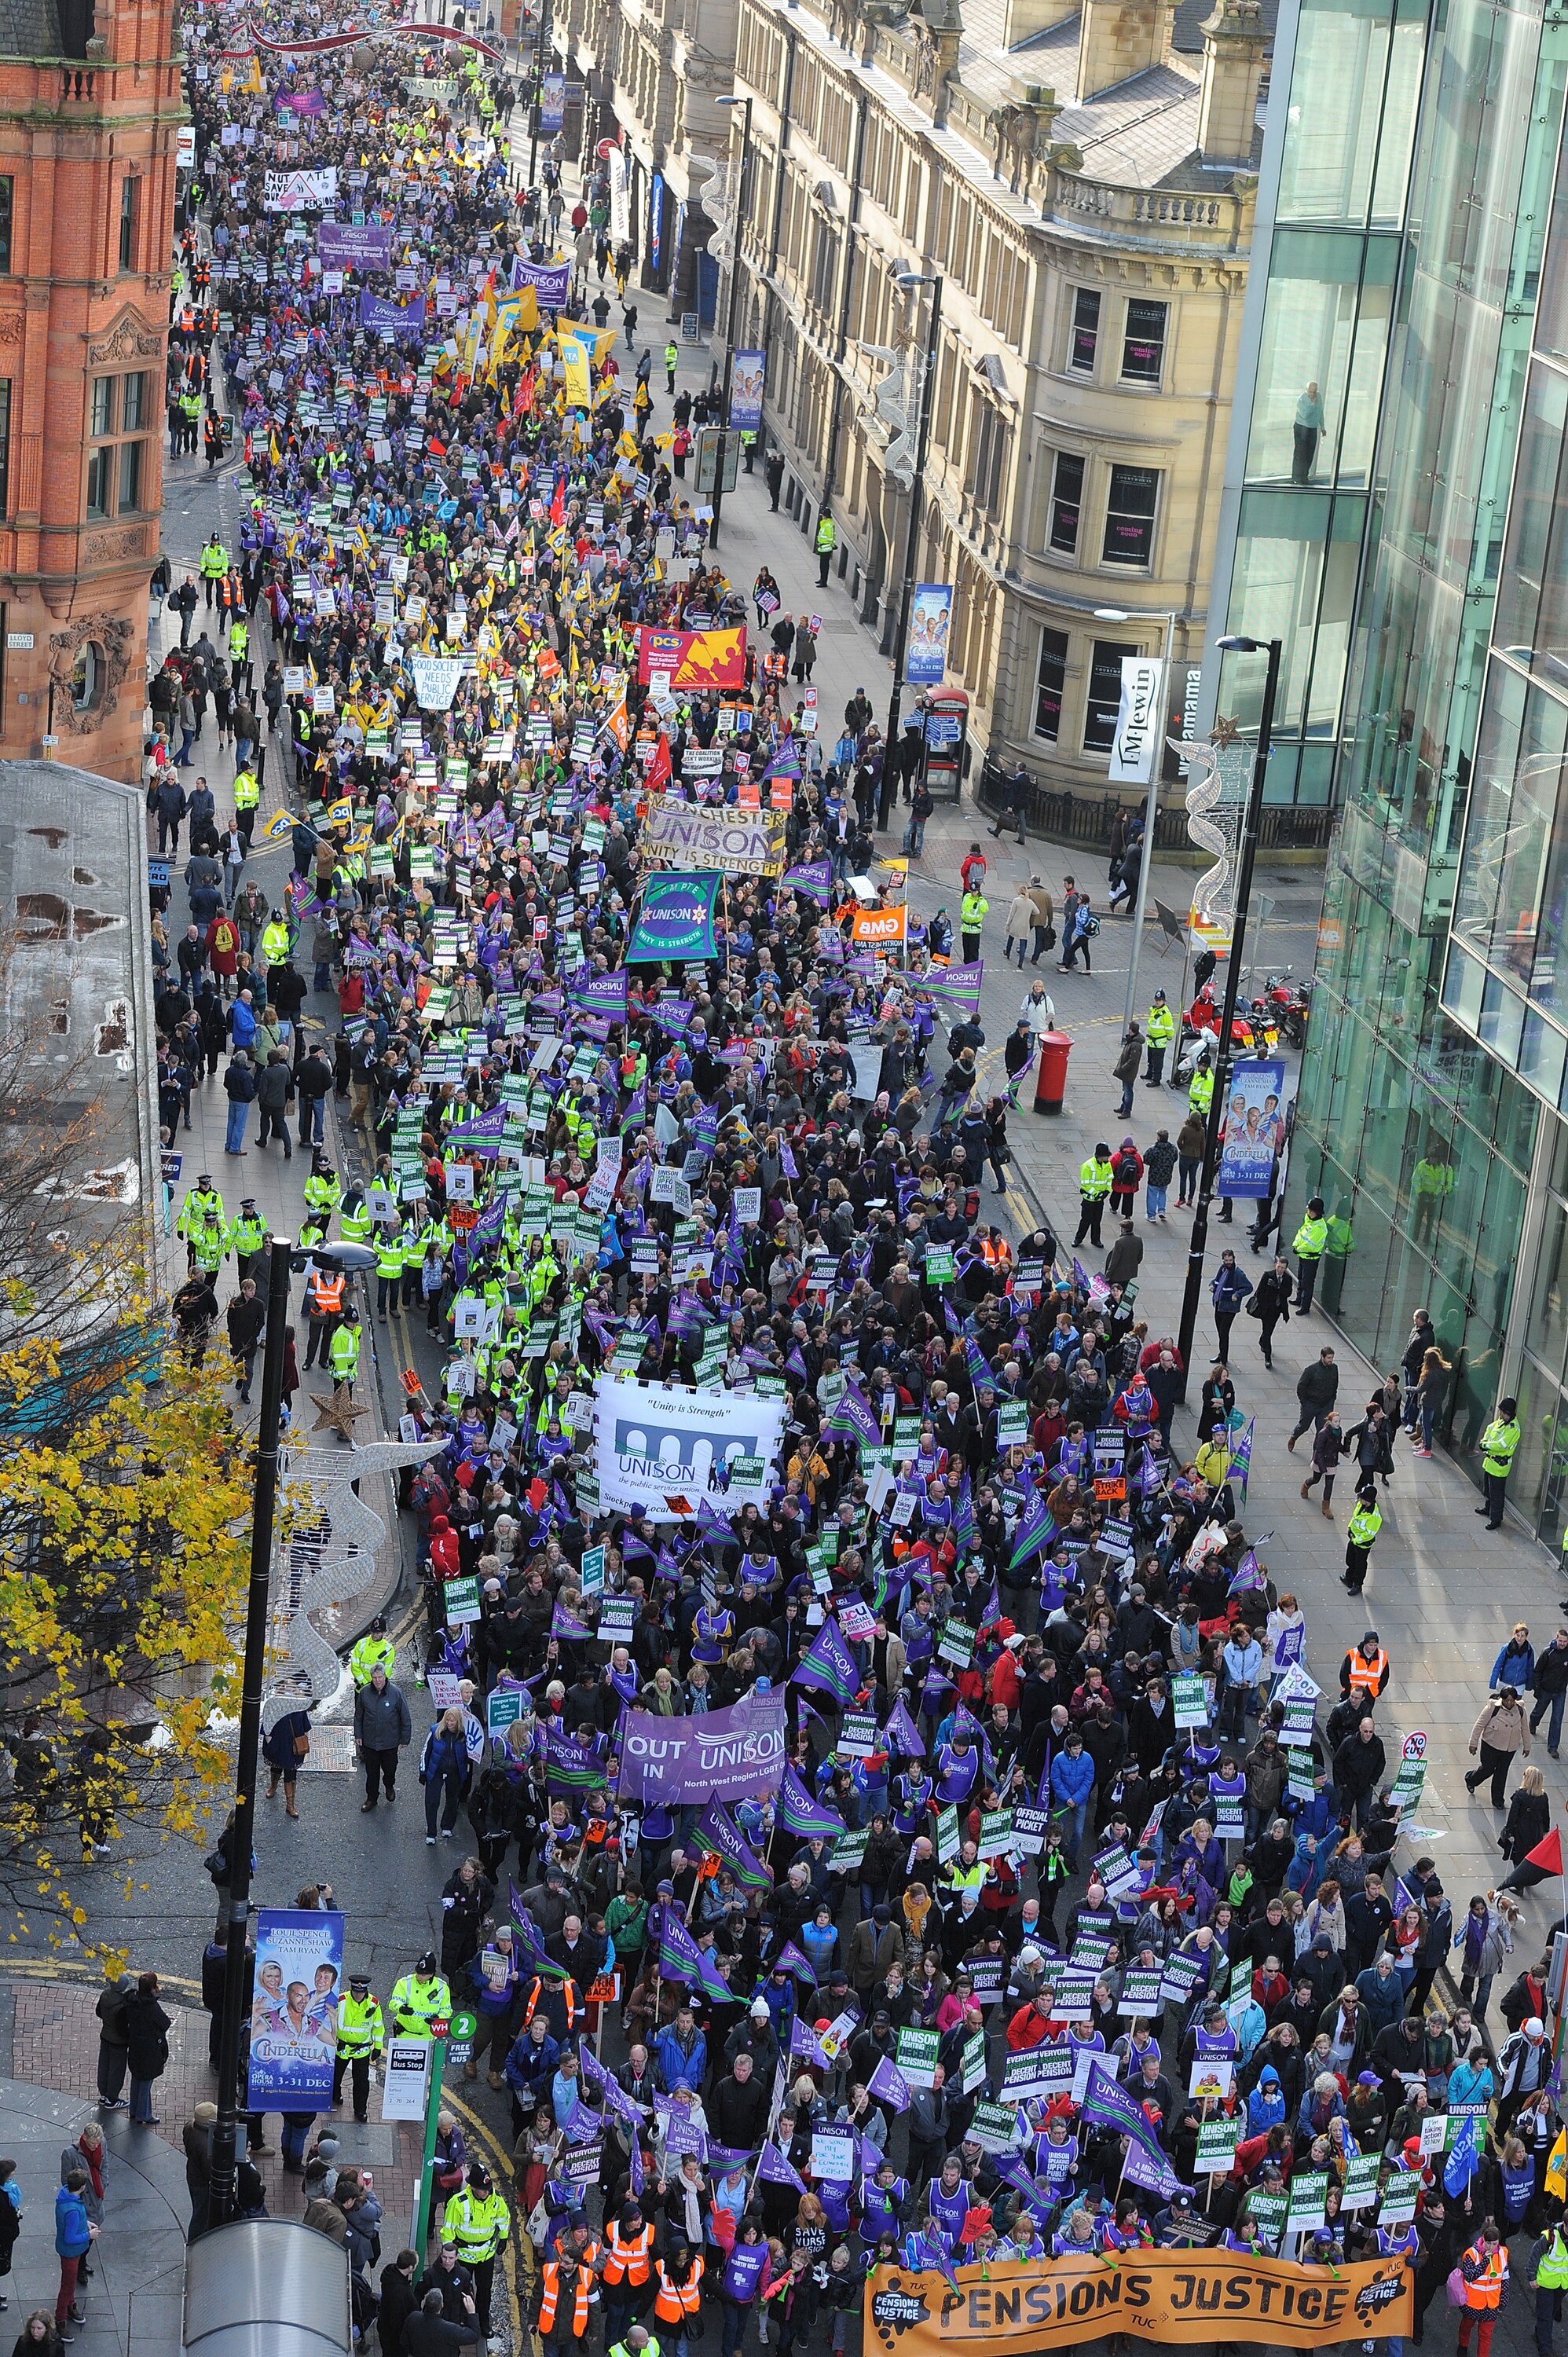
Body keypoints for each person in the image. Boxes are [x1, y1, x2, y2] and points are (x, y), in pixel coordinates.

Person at [354, 1664, 413, 1808]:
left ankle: (389, 1785)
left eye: (380, 1677)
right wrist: (358, 1735)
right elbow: (358, 1717)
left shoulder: (396, 1693)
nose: (377, 1681)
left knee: (390, 1769)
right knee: (372, 1773)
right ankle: (371, 1798)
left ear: (385, 1677)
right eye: (374, 1678)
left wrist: (405, 1739)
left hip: (390, 1743)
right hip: (371, 1743)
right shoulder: (364, 1693)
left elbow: (405, 1717)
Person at [1466, 1684, 1530, 1809]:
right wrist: (1473, 1743)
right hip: (1491, 1745)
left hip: (1509, 1748)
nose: (1510, 1703)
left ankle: (1498, 1800)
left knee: (1502, 1773)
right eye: (1507, 1700)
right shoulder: (1492, 1707)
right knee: (1488, 1769)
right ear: (1503, 1699)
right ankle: (1471, 1779)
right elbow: (1479, 1725)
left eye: (1512, 1700)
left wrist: (1527, 1745)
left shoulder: (1521, 1710)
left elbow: (1525, 1729)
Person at [123, 1973, 170, 2126]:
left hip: (135, 2046)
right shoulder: (150, 2006)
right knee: (146, 2082)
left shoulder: (131, 2002)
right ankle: (144, 2115)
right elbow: (165, 2023)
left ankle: (135, 2110)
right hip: (150, 2049)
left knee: (137, 2078)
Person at [1478, 1398, 1521, 1530]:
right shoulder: (1502, 1422)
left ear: (1506, 1412)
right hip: (1490, 1462)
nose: (1500, 1414)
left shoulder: (1513, 1428)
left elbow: (1502, 1445)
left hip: (1499, 1467)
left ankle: (1496, 1519)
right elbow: (1490, 1430)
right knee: (1488, 1490)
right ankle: (1488, 1508)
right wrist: (1485, 1442)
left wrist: (1485, 1445)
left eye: (1502, 1411)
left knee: (1497, 1494)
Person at [1291, 1195, 1328, 1313]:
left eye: (1309, 1209)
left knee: (1307, 1283)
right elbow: (1300, 1233)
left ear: (1314, 1211)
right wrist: (1295, 1244)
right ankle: (1299, 1299)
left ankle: (1305, 1306)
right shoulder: (1309, 1219)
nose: (1307, 1211)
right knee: (1301, 1279)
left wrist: (1298, 1249)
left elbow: (1310, 1244)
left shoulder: (1319, 1227)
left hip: (1310, 1258)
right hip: (1303, 1256)